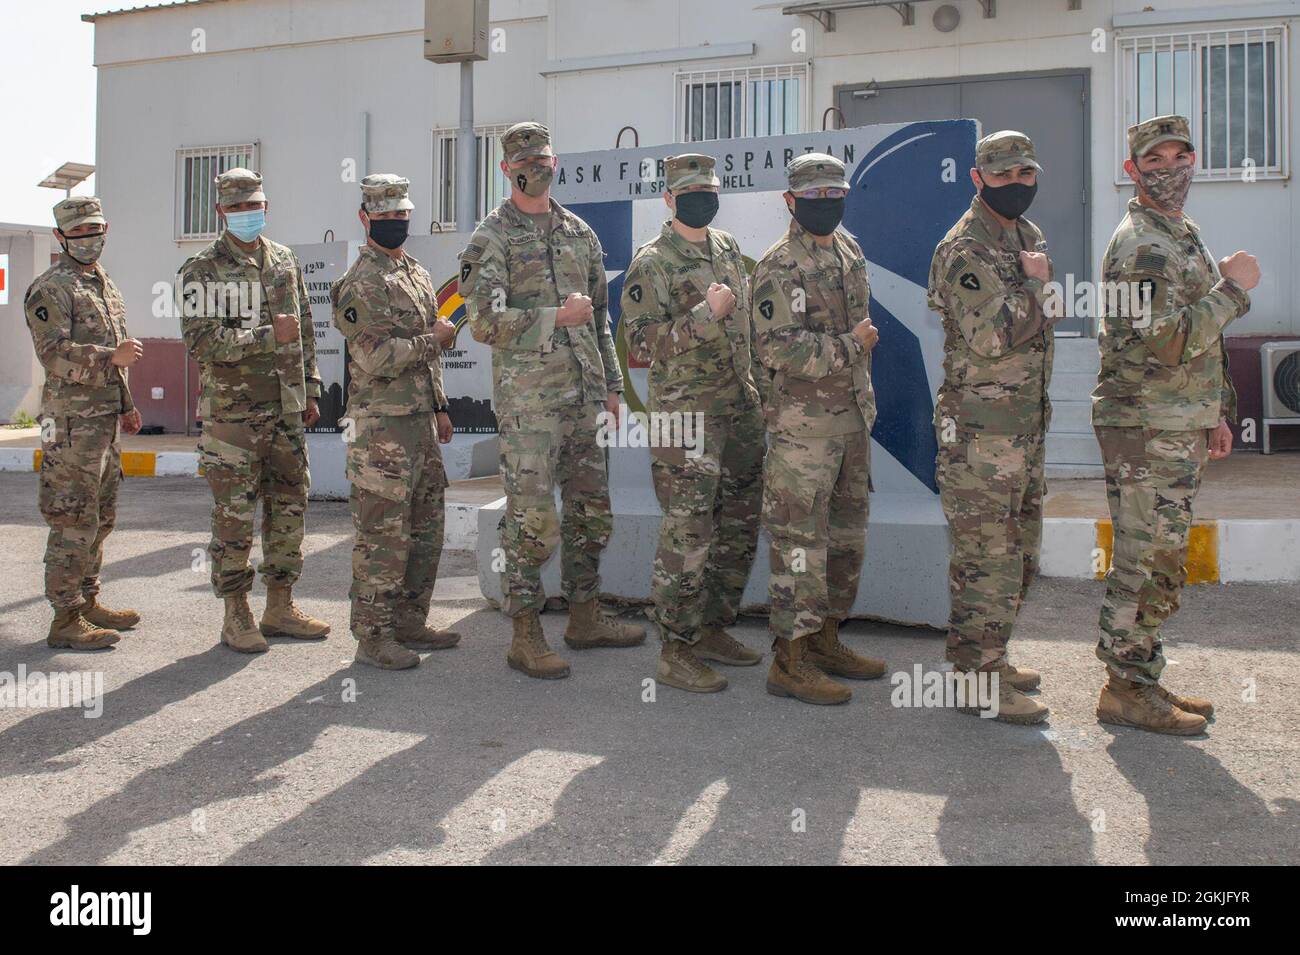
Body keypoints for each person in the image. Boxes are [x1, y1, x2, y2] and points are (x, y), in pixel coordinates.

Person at [1092, 115, 1260, 735]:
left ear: (1194, 160)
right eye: (1153, 161)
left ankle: (1142, 676)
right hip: (1144, 422)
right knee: (1146, 556)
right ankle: (1126, 687)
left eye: (1178, 156)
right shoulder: (1141, 244)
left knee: (1163, 554)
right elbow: (1169, 339)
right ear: (1133, 171)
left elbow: (1198, 344)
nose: (1169, 169)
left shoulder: (1179, 232)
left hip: (1175, 419)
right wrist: (1235, 290)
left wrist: (1218, 411)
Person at [460, 122, 644, 680]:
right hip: (530, 406)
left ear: (554, 162)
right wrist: (552, 319)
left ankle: (585, 617)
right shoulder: (490, 239)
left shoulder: (579, 233)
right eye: (525, 161)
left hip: (584, 399)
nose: (536, 168)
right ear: (506, 169)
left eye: (543, 158)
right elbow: (482, 321)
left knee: (591, 512)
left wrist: (611, 387)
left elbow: (602, 319)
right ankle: (525, 633)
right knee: (532, 518)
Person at [926, 130, 1060, 725]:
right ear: (977, 179)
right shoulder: (964, 249)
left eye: (1024, 174)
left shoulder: (1025, 236)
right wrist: (1037, 285)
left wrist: (1035, 283)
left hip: (1021, 427)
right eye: (1002, 176)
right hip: (979, 433)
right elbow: (990, 335)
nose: (1015, 185)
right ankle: (975, 677)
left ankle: (989, 656)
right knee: (988, 555)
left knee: (1020, 552)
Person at [620, 153, 765, 693]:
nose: (702, 196)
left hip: (737, 407)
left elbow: (745, 329)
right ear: (669, 199)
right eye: (690, 190)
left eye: (709, 187)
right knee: (689, 529)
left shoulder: (726, 248)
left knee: (738, 522)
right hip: (684, 419)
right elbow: (638, 344)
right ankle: (675, 648)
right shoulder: (651, 263)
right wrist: (706, 316)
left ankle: (711, 627)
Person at [751, 153, 884, 705]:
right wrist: (851, 346)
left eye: (835, 195)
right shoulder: (777, 267)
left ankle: (828, 637)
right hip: (802, 431)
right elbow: (776, 347)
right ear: (790, 201)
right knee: (799, 543)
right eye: (814, 198)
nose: (826, 206)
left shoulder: (849, 251)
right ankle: (791, 657)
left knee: (846, 542)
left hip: (851, 420)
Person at [178, 168, 329, 653]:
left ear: (267, 206)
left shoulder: (283, 259)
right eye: (239, 207)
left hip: (285, 411)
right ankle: (235, 613)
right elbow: (200, 341)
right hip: (233, 417)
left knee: (289, 509)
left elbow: (304, 325)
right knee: (234, 518)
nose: (249, 214)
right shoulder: (201, 269)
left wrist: (310, 388)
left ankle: (280, 605)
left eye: (255, 205)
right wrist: (267, 336)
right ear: (221, 212)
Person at [331, 173, 459, 669]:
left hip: (420, 421)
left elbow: (430, 360)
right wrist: (434, 340)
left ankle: (409, 621)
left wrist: (441, 407)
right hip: (380, 429)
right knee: (382, 534)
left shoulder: (416, 273)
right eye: (385, 217)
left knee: (426, 528)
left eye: (401, 215)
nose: (395, 223)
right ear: (365, 219)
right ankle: (373, 636)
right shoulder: (359, 283)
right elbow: (375, 357)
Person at [25, 196, 142, 650]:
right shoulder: (50, 288)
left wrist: (127, 404)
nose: (88, 239)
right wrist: (108, 357)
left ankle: (88, 599)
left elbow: (119, 358)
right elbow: (52, 353)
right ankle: (66, 617)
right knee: (72, 517)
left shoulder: (102, 283)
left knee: (102, 516)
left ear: (105, 228)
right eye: (77, 234)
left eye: (93, 231)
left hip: (104, 420)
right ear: (60, 237)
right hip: (72, 424)